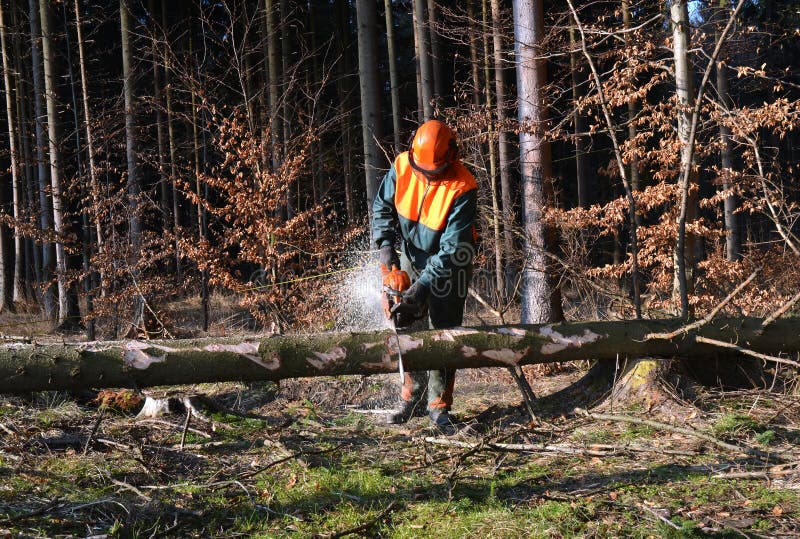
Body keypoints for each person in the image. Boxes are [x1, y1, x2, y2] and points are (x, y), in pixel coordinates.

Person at [372, 119, 478, 434]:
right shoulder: (403, 166)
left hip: (450, 263)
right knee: (406, 324)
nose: (427, 176)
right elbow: (382, 208)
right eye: (423, 170)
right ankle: (412, 398)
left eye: (433, 172)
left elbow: (452, 249)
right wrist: (386, 248)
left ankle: (438, 407)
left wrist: (423, 287)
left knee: (443, 331)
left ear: (450, 158)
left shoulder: (463, 186)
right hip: (411, 254)